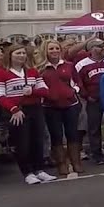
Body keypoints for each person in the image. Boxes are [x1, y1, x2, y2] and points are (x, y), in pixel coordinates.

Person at [0, 45, 56, 185]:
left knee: (37, 141)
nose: (21, 56)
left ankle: (39, 169)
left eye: (23, 53)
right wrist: (13, 109)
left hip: (35, 108)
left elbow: (45, 90)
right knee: (22, 143)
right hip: (16, 111)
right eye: (17, 53)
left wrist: (33, 92)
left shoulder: (32, 72)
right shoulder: (1, 73)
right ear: (10, 55)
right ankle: (27, 172)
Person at [35, 38, 83, 178]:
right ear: (46, 51)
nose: (55, 51)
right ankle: (61, 163)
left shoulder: (68, 65)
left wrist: (74, 90)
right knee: (56, 135)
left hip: (70, 105)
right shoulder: (40, 69)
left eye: (57, 48)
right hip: (50, 106)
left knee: (72, 133)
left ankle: (76, 162)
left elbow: (77, 81)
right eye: (51, 49)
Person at [75, 39, 104, 165]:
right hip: (93, 100)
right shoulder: (81, 65)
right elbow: (77, 82)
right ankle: (97, 155)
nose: (103, 48)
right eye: (100, 46)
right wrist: (86, 95)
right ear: (92, 49)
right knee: (94, 127)